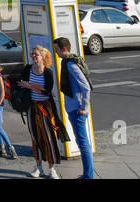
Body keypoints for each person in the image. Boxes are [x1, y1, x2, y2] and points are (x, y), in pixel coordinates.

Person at [18, 46, 62, 178]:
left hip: (45, 108)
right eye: (32, 54)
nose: (33, 56)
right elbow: (21, 84)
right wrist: (35, 87)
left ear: (43, 57)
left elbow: (46, 92)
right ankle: (38, 167)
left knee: (48, 137)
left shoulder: (48, 72)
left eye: (36, 54)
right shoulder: (27, 69)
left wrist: (30, 85)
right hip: (31, 107)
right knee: (35, 137)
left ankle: (52, 169)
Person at [54, 37, 94, 179]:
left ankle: (88, 176)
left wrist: (83, 107)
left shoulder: (70, 65)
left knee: (83, 144)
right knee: (82, 142)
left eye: (57, 49)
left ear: (64, 49)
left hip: (77, 110)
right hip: (74, 108)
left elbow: (86, 87)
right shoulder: (69, 62)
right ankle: (87, 174)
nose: (56, 52)